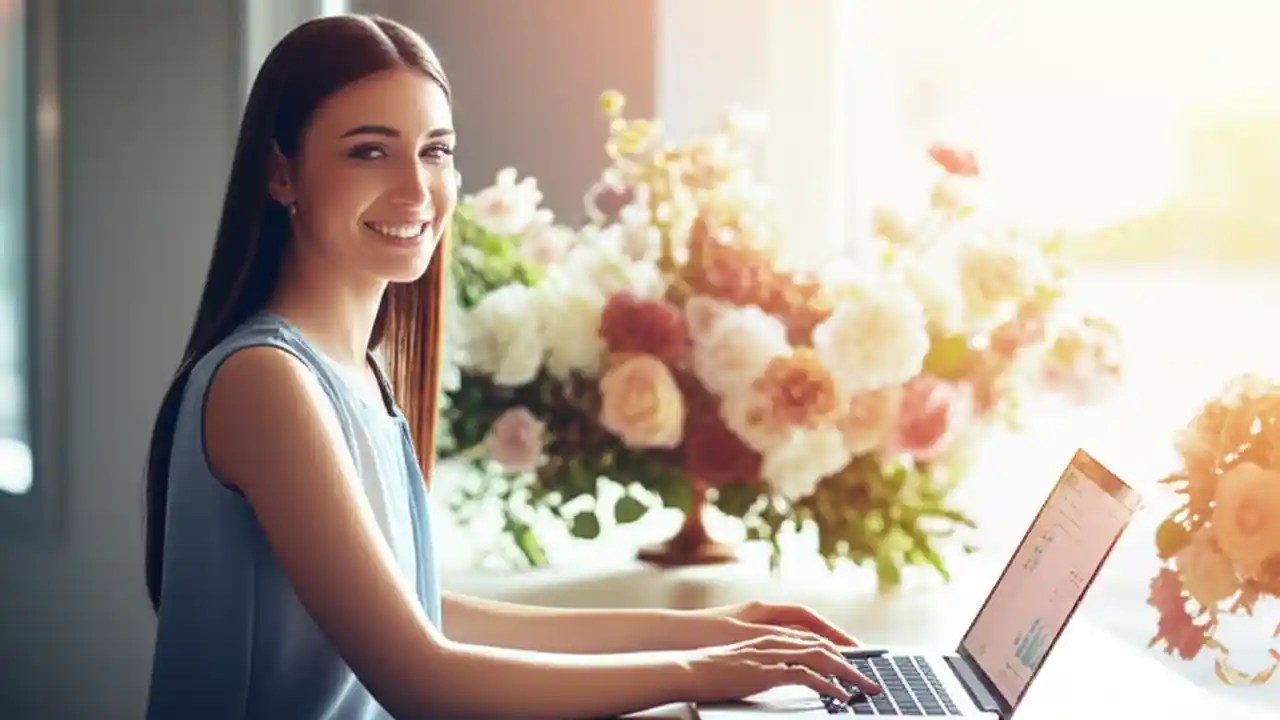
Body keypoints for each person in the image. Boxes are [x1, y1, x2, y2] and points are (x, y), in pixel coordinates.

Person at [143, 14, 879, 719]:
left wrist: (715, 631)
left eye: (435, 151)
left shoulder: (354, 373)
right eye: (369, 151)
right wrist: (699, 672)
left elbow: (424, 615)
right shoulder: (267, 382)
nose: (415, 188)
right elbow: (421, 677)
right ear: (281, 174)